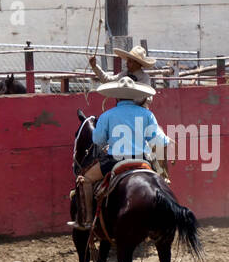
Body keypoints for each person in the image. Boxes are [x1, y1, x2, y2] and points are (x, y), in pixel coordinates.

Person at [68, 76, 170, 231]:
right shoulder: (147, 114)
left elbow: (97, 139)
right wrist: (167, 140)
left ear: (116, 96)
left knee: (85, 179)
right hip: (142, 160)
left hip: (114, 161)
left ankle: (86, 220)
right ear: (135, 95)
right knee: (161, 181)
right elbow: (158, 141)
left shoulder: (108, 115)